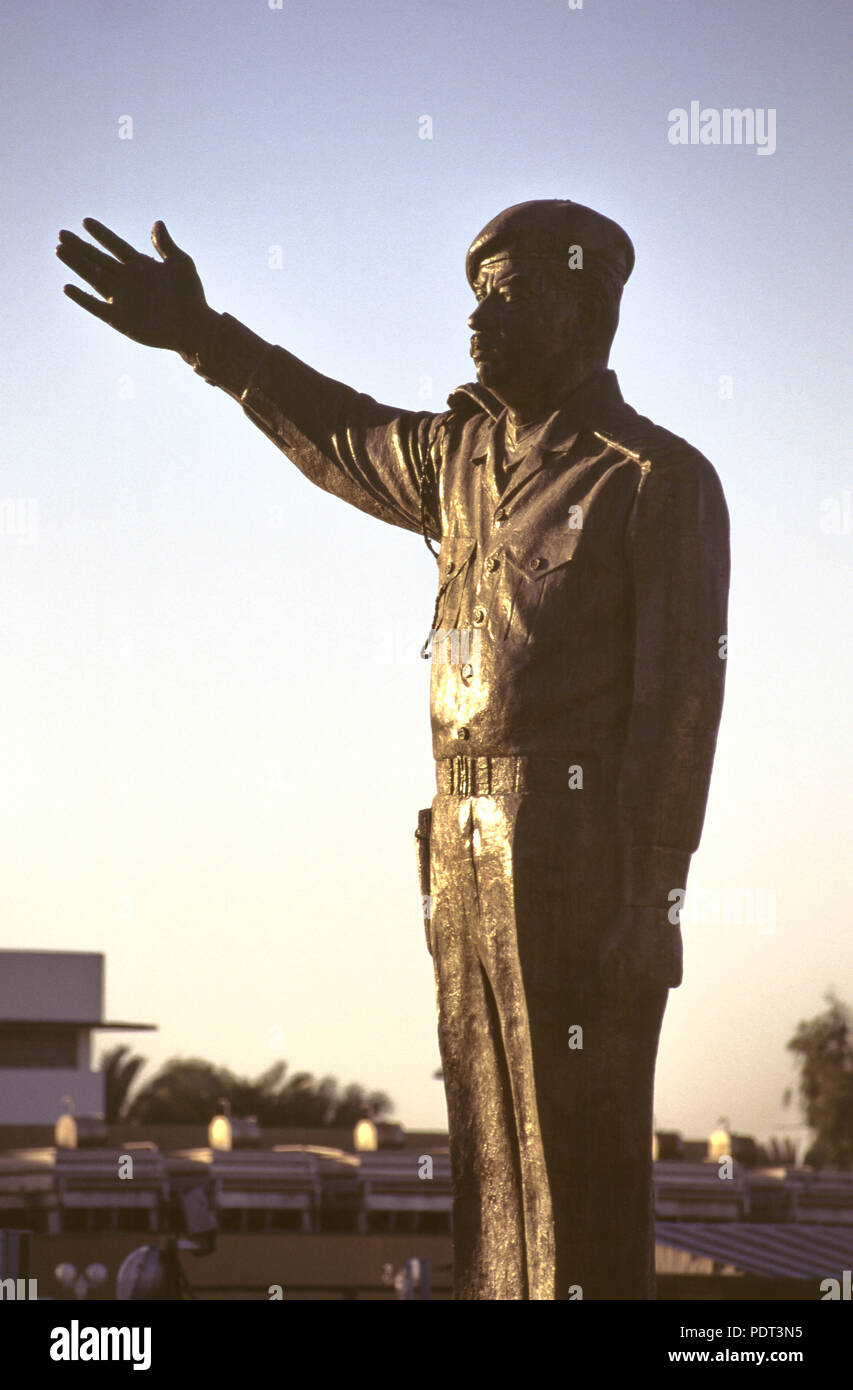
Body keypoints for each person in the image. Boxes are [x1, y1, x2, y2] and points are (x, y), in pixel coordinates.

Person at [56, 200, 729, 1299]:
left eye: (508, 296)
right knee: (485, 1148)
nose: (477, 322)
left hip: (576, 844)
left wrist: (650, 894)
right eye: (475, 296)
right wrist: (204, 339)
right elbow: (340, 431)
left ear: (588, 306)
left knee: (572, 1155)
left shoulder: (650, 477)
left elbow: (680, 704)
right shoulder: (458, 459)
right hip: (456, 843)